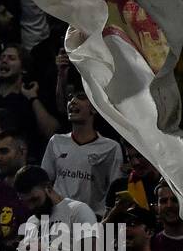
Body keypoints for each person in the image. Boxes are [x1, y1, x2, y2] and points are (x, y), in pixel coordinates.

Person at [14, 165, 100, 251]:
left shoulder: (78, 210)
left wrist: (46, 250)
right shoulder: (32, 220)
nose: (31, 206)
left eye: (34, 199)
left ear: (48, 187)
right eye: (25, 202)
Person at [40, 87, 123, 216]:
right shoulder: (56, 142)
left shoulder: (111, 147)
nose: (72, 101)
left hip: (91, 219)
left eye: (81, 97)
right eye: (69, 98)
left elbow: (115, 188)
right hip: (58, 216)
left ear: (94, 108)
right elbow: (45, 182)